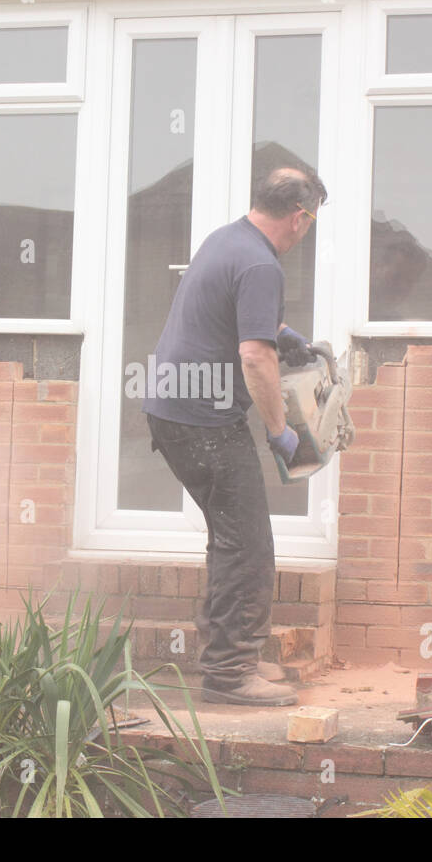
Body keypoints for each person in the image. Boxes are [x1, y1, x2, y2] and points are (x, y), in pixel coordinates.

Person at [142, 166, 327, 707]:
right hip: (201, 420)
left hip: (177, 411)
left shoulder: (227, 240)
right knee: (246, 544)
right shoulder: (260, 264)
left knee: (233, 537)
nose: (307, 231)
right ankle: (227, 675)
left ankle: (233, 658)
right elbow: (253, 355)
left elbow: (237, 318)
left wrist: (284, 333)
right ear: (299, 217)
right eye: (311, 222)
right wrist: (280, 433)